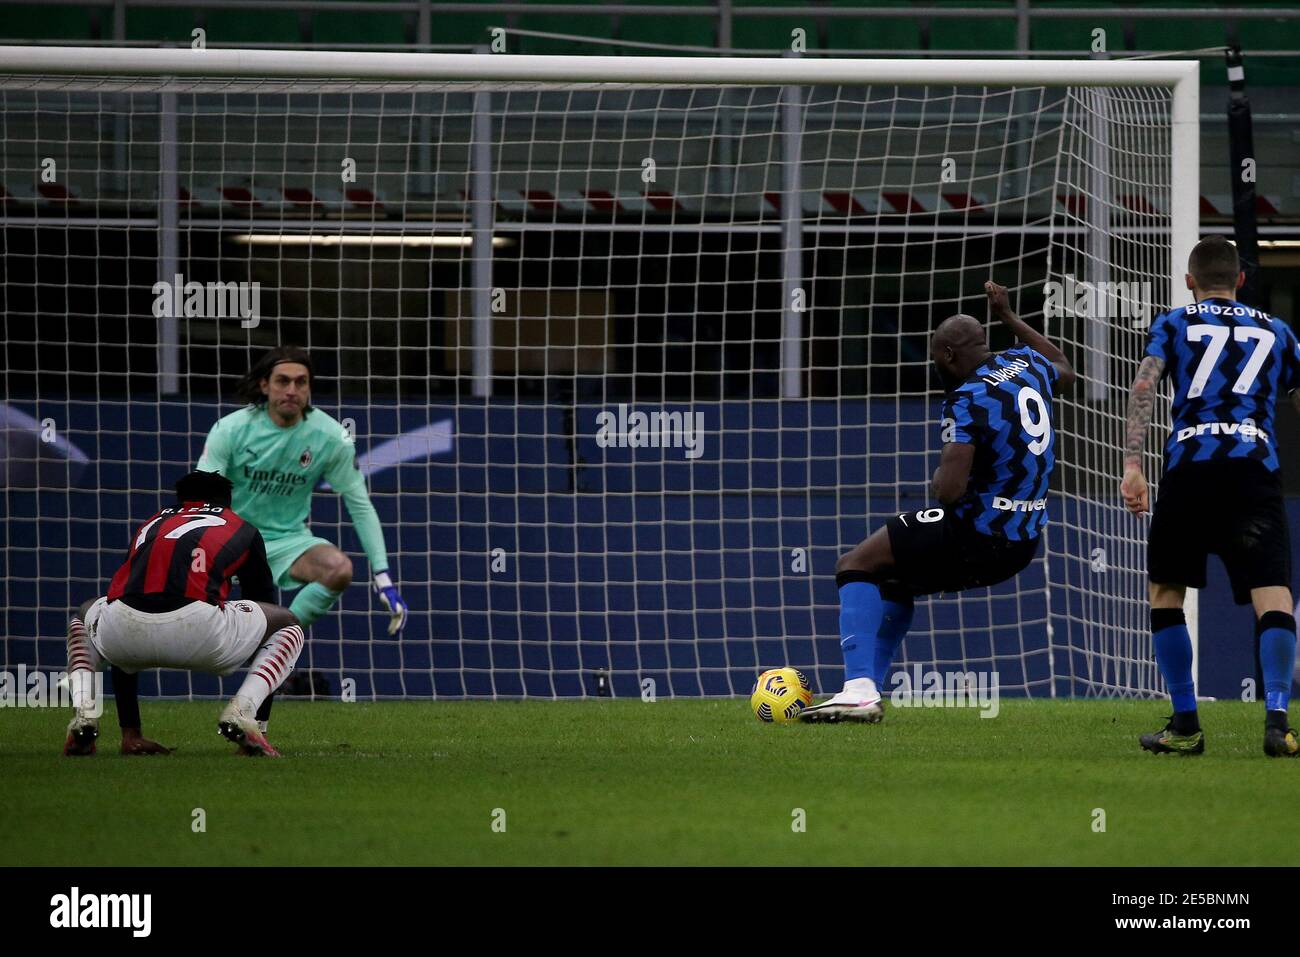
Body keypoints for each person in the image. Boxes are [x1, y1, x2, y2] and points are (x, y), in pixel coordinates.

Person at [802, 280, 1075, 722]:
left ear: (947, 356)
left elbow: (948, 492)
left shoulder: (965, 400)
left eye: (935, 357)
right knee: (894, 581)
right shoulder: (1026, 363)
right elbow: (1064, 366)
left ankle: (857, 688)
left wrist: (938, 476)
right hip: (1022, 545)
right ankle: (866, 694)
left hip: (977, 533)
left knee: (854, 564)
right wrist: (1009, 317)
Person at [1122, 235, 1300, 757]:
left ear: (1189, 281)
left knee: (1166, 591)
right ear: (1242, 279)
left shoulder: (1174, 323)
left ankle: (1185, 726)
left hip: (1191, 468)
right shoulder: (1279, 331)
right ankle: (1278, 724)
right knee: (1274, 594)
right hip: (1253, 469)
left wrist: (1133, 464)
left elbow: (1144, 388)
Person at [65, 470, 303, 757]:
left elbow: (127, 596)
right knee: (286, 624)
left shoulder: (151, 525)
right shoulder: (241, 527)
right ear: (227, 502)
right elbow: (264, 605)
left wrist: (130, 732)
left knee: (87, 613)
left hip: (122, 634)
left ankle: (88, 717)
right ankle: (247, 717)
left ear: (180, 501)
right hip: (200, 633)